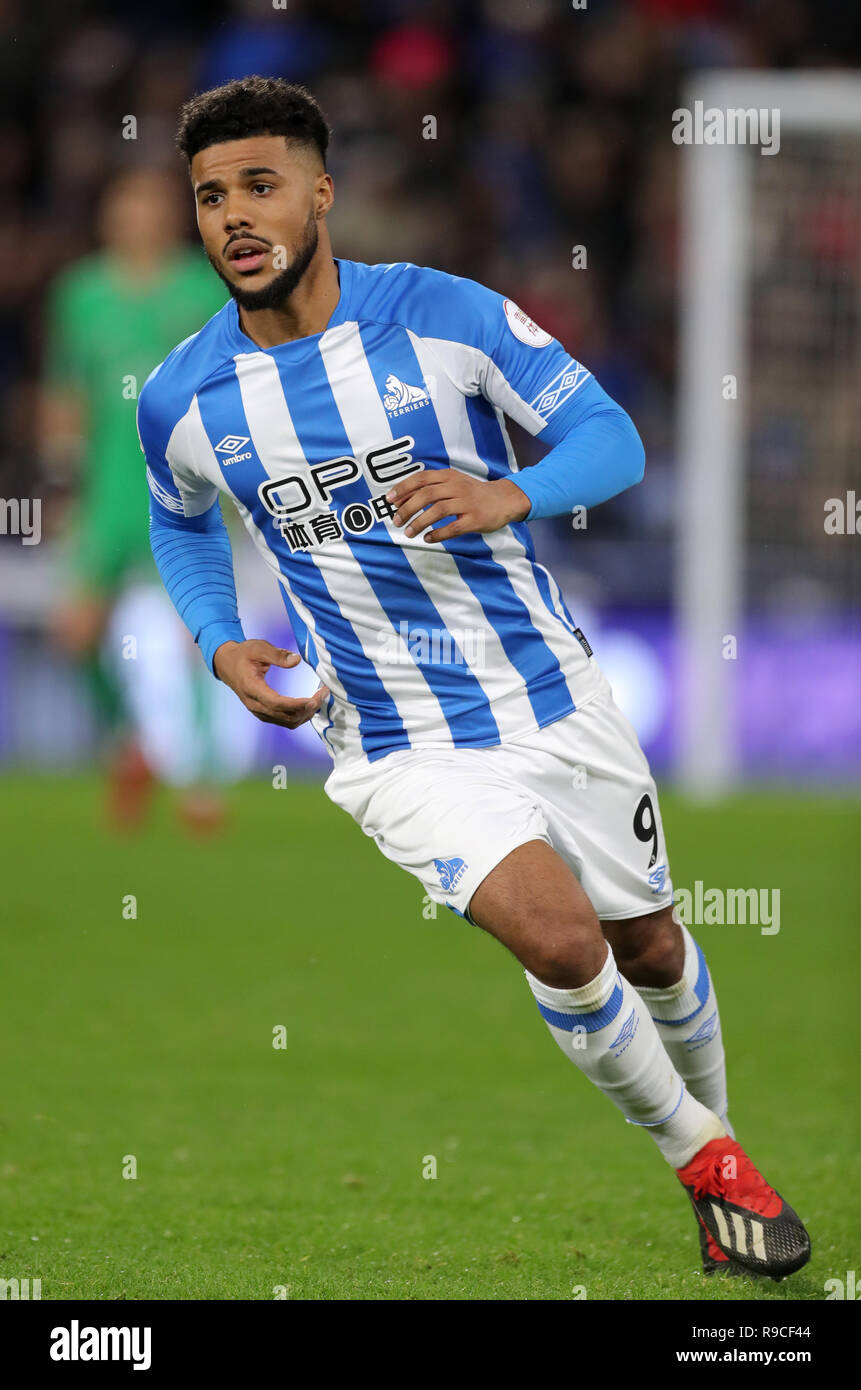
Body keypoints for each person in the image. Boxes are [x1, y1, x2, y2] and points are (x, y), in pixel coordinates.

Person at [138, 76, 810, 1281]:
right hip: (396, 741)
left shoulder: (446, 316)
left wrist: (516, 490)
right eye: (209, 196)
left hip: (555, 699)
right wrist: (214, 637)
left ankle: (717, 1155)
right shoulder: (183, 394)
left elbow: (610, 434)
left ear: (322, 194)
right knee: (561, 944)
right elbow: (181, 522)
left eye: (259, 185)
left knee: (651, 946)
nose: (234, 215)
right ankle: (715, 1172)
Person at [42, 166, 255, 829]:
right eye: (124, 204)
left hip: (185, 481)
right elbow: (65, 394)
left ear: (170, 216)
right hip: (107, 488)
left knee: (199, 634)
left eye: (149, 205)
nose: (137, 217)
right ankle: (130, 743)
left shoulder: (202, 289)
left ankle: (202, 784)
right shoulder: (81, 293)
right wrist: (58, 482)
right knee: (77, 633)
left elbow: (234, 386)